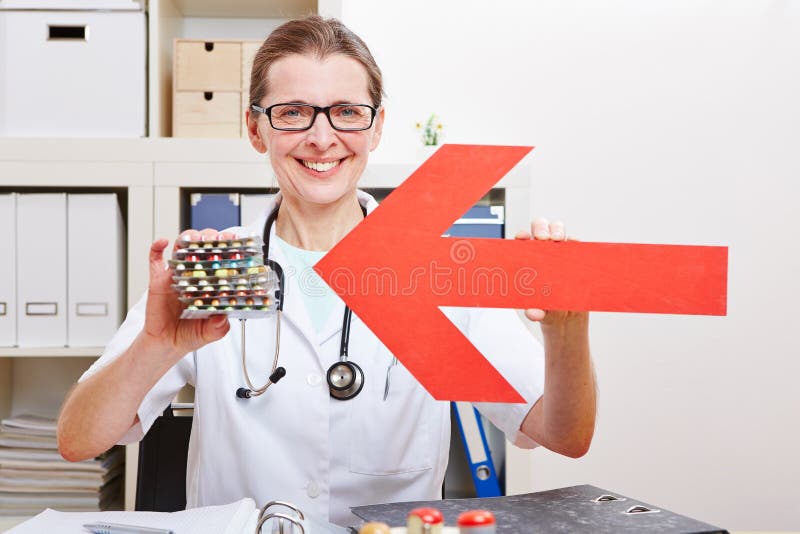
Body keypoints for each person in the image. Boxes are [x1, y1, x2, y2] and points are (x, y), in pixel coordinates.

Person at [57, 16, 596, 527]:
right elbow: (78, 440)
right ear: (255, 129)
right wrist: (155, 344)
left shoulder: (437, 268)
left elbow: (562, 433)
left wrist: (566, 330)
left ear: (376, 126)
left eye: (346, 111)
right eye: (293, 112)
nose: (321, 137)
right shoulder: (217, 265)